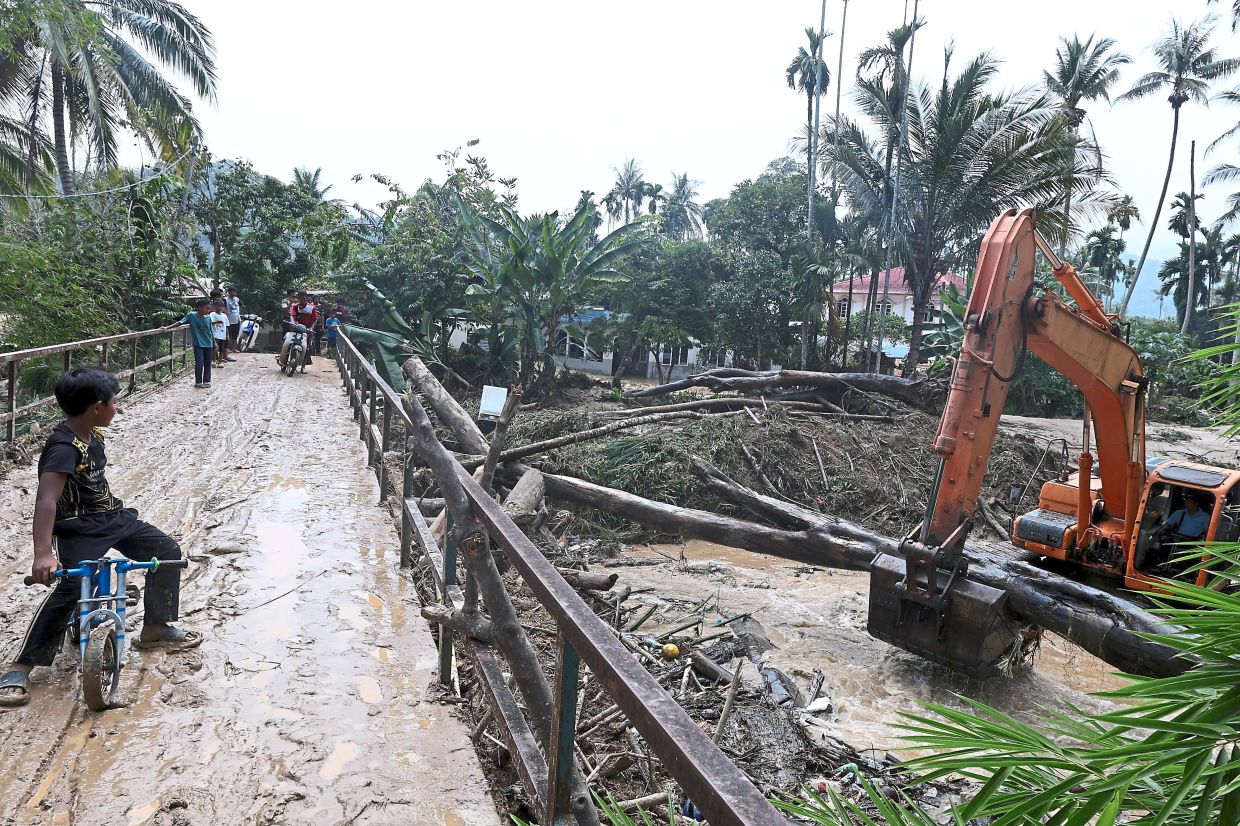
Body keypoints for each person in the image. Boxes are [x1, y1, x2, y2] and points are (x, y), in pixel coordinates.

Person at [0, 367, 200, 707]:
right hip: (78, 526)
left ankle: (154, 628)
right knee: (73, 585)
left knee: (165, 550)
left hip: (111, 517)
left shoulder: (93, 434)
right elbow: (46, 499)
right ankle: (21, 664)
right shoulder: (63, 447)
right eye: (113, 402)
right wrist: (43, 554)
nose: (115, 408)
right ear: (96, 407)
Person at [174, 299, 215, 388]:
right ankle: (198, 382)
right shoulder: (191, 315)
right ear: (199, 308)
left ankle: (207, 380)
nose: (208, 311)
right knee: (199, 363)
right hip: (198, 343)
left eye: (209, 309)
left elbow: (210, 331)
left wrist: (214, 343)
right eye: (206, 308)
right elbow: (180, 322)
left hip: (209, 343)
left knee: (208, 363)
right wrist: (166, 327)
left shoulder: (208, 317)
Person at [280, 292, 319, 368]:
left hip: (307, 330)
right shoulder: (295, 307)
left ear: (306, 298)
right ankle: (284, 361)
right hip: (296, 328)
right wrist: (293, 323)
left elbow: (315, 319)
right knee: (289, 343)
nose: (302, 300)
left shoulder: (311, 308)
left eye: (304, 298)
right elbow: (292, 315)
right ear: (298, 298)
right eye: (301, 298)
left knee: (307, 347)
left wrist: (311, 328)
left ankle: (303, 367)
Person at [210, 300, 231, 366]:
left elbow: (226, 326)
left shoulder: (224, 316)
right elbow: (210, 322)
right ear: (214, 307)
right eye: (218, 306)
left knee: (222, 349)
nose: (219, 308)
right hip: (215, 334)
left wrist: (227, 335)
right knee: (214, 348)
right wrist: (216, 322)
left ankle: (220, 362)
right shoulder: (212, 314)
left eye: (221, 306)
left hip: (223, 335)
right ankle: (213, 361)